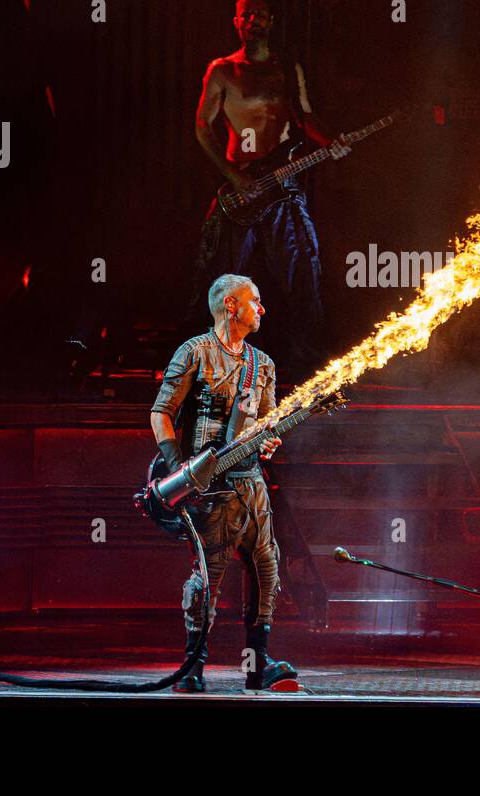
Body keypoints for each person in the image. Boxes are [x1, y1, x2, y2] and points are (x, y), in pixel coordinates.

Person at [149, 273, 295, 692]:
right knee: (209, 575)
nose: (262, 309)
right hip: (210, 488)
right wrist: (181, 469)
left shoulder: (261, 364)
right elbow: (161, 413)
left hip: (251, 484)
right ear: (231, 305)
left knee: (267, 567)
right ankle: (193, 664)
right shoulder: (194, 352)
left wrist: (268, 442)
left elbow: (264, 424)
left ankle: (258, 664)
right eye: (256, 301)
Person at [190, 0, 348, 375]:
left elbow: (306, 117)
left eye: (260, 14)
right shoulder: (222, 70)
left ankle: (307, 367)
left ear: (271, 21)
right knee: (222, 277)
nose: (253, 20)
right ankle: (213, 364)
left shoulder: (286, 69)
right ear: (236, 22)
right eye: (246, 15)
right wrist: (234, 176)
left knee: (303, 271)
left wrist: (332, 143)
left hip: (282, 186)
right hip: (241, 189)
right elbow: (201, 126)